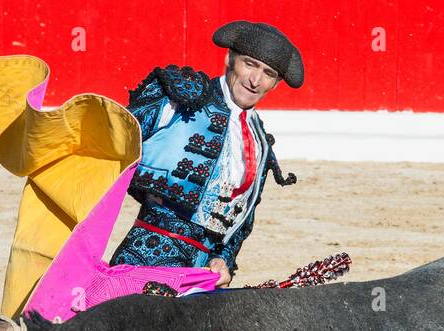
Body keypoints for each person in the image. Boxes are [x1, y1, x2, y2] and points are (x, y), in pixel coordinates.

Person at [108, 20, 302, 287]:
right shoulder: (184, 96)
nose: (255, 80)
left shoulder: (261, 142)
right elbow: (112, 141)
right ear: (230, 59)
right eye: (249, 64)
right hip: (148, 258)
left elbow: (242, 221)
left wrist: (224, 260)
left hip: (203, 278)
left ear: (276, 83)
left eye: (268, 73)